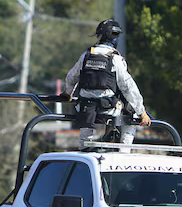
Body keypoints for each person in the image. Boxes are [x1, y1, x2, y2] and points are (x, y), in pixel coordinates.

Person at [64, 19, 151, 150]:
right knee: (133, 111)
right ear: (114, 37)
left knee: (86, 124)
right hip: (109, 108)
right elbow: (128, 87)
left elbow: (71, 77)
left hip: (86, 108)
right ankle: (124, 151)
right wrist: (142, 112)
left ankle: (84, 148)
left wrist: (67, 93)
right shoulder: (115, 59)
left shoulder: (86, 55)